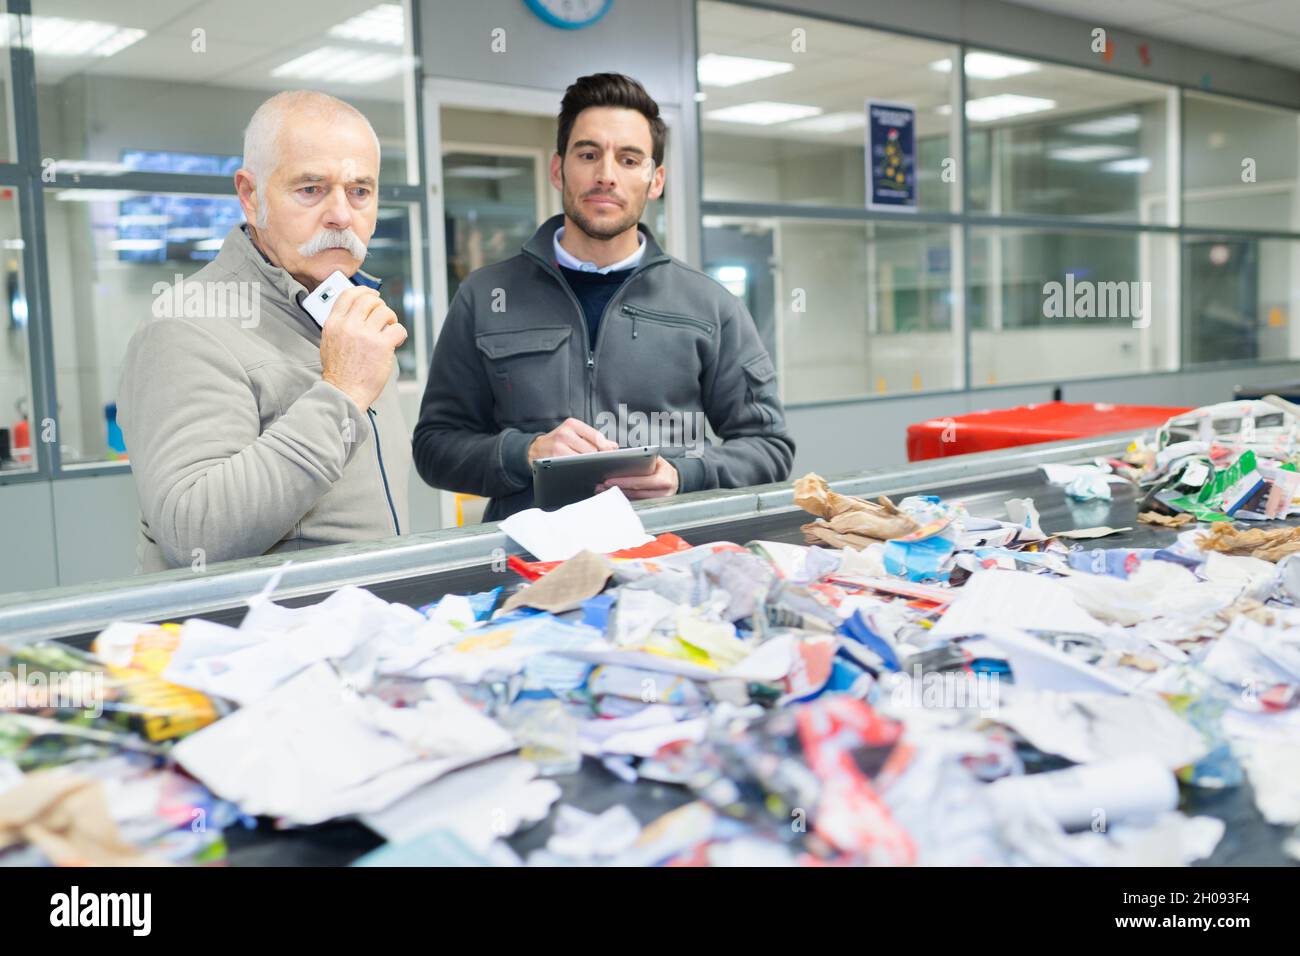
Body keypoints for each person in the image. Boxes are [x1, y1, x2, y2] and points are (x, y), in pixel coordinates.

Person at [414, 73, 793, 520]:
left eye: (629, 160)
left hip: (666, 563)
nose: (606, 176)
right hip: (530, 568)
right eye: (589, 154)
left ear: (656, 181)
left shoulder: (711, 306)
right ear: (558, 169)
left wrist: (685, 475)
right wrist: (526, 452)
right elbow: (435, 448)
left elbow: (770, 449)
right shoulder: (484, 296)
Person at [117, 90, 409, 572]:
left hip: (366, 625)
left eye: (360, 191)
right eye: (311, 189)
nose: (341, 214)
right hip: (258, 642)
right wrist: (342, 392)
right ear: (250, 197)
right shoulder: (183, 327)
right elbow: (194, 536)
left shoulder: (354, 314)